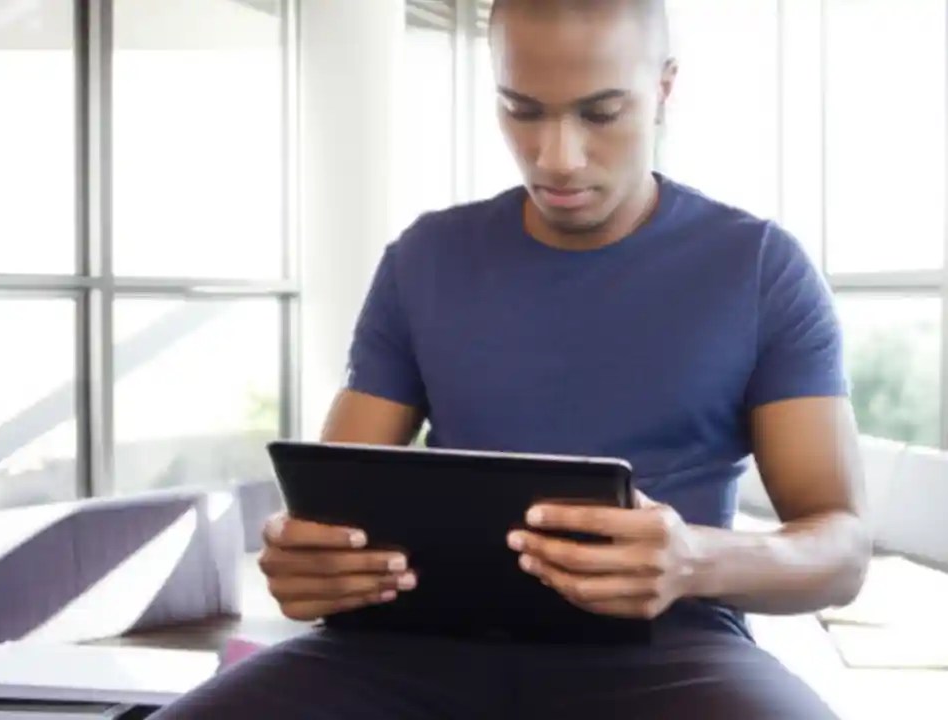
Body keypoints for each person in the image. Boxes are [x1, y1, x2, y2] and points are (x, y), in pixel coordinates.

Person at [155, 0, 869, 717]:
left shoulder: (758, 268)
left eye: (601, 113)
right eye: (522, 110)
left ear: (664, 90)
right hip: (405, 644)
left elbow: (840, 546)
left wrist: (693, 561)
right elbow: (331, 504)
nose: (557, 156)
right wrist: (305, 557)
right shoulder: (424, 260)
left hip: (671, 648)